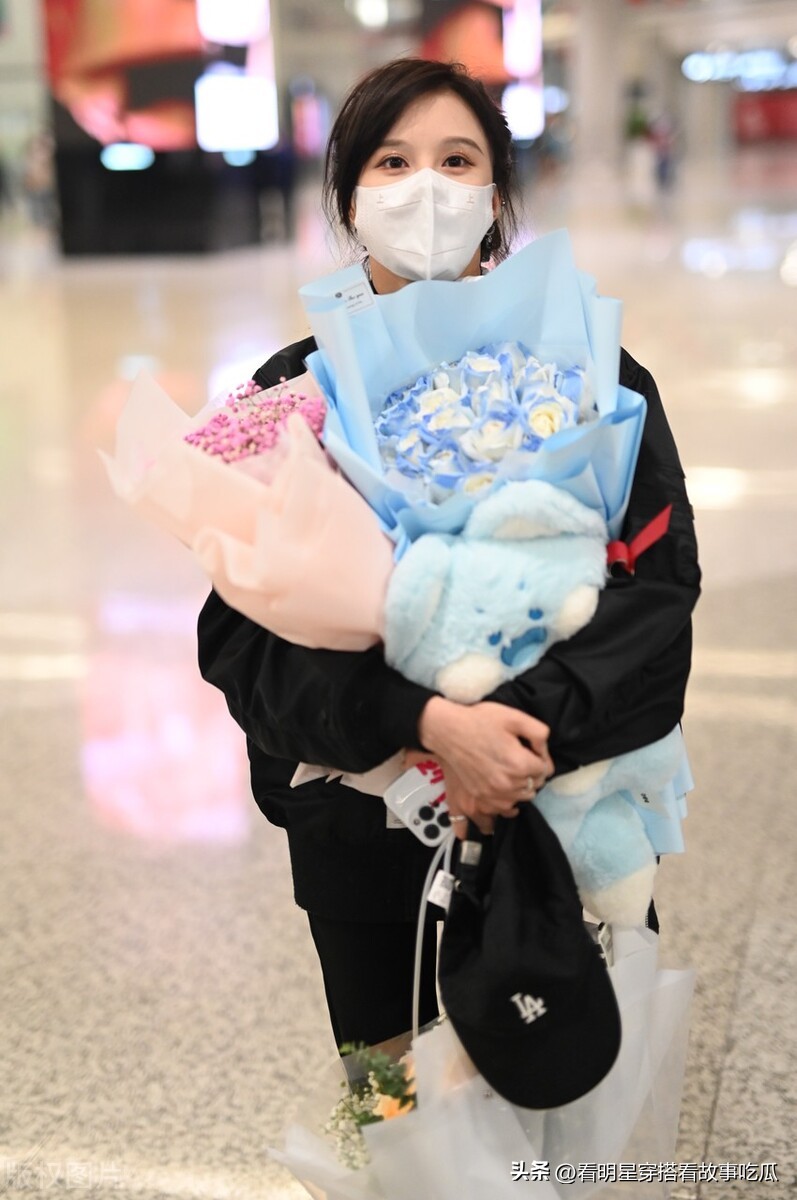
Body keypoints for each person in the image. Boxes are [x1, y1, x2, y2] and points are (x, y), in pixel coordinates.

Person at [197, 58, 701, 1050]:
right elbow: (240, 647)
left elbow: (659, 599)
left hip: (559, 817)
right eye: (390, 161)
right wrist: (424, 723)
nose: (423, 188)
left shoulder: (592, 372)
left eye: (454, 159)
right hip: (365, 846)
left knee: (563, 1111)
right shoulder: (287, 394)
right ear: (347, 197)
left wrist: (508, 738)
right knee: (394, 1120)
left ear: (496, 194)